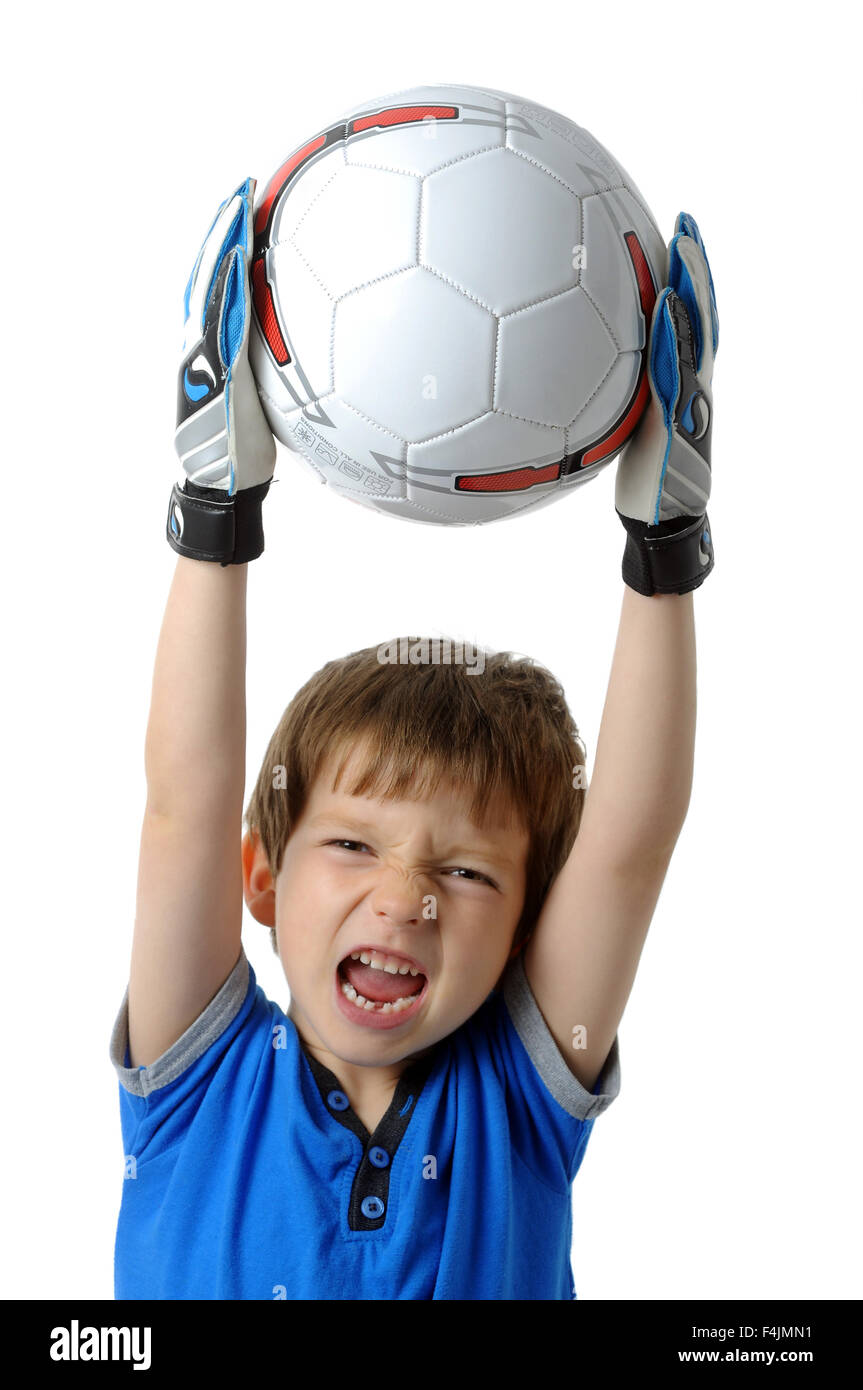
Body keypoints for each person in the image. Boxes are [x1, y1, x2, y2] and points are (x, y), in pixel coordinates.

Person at [109, 178, 718, 1300]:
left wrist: (663, 543)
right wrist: (214, 505)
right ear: (260, 874)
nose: (404, 898)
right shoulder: (201, 1085)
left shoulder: (518, 1102)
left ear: (532, 923)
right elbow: (183, 803)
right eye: (350, 845)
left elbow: (629, 839)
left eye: (469, 869)